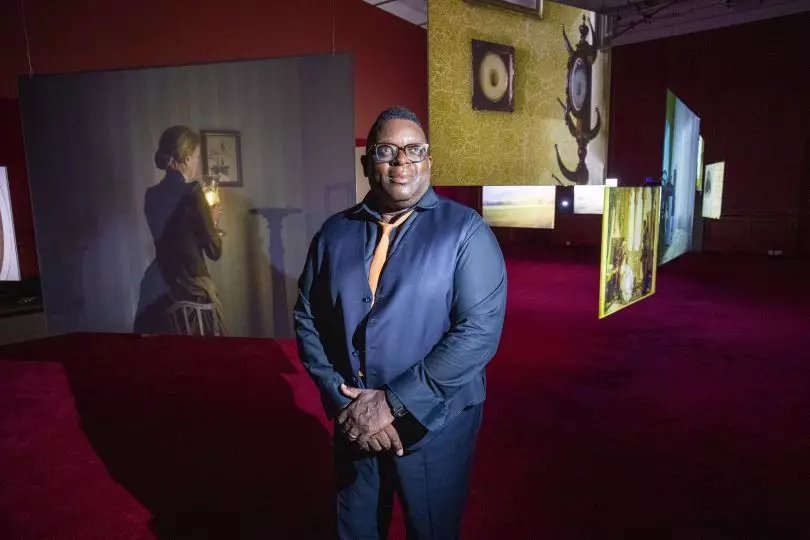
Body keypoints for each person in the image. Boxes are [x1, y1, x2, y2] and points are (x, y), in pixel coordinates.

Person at [294, 106, 507, 539]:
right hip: (354, 416)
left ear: (428, 161)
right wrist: (344, 402)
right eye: (387, 150)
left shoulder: (465, 231)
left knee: (430, 528)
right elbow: (308, 318)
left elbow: (478, 333)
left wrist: (390, 403)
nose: (402, 161)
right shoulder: (334, 233)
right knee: (354, 526)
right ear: (367, 161)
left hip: (436, 420)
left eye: (414, 150)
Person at [135, 125, 226, 335]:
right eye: (196, 156)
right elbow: (214, 251)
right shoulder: (193, 191)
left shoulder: (151, 195)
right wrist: (211, 221)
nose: (196, 162)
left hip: (161, 283)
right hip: (191, 287)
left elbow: (172, 237)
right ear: (186, 159)